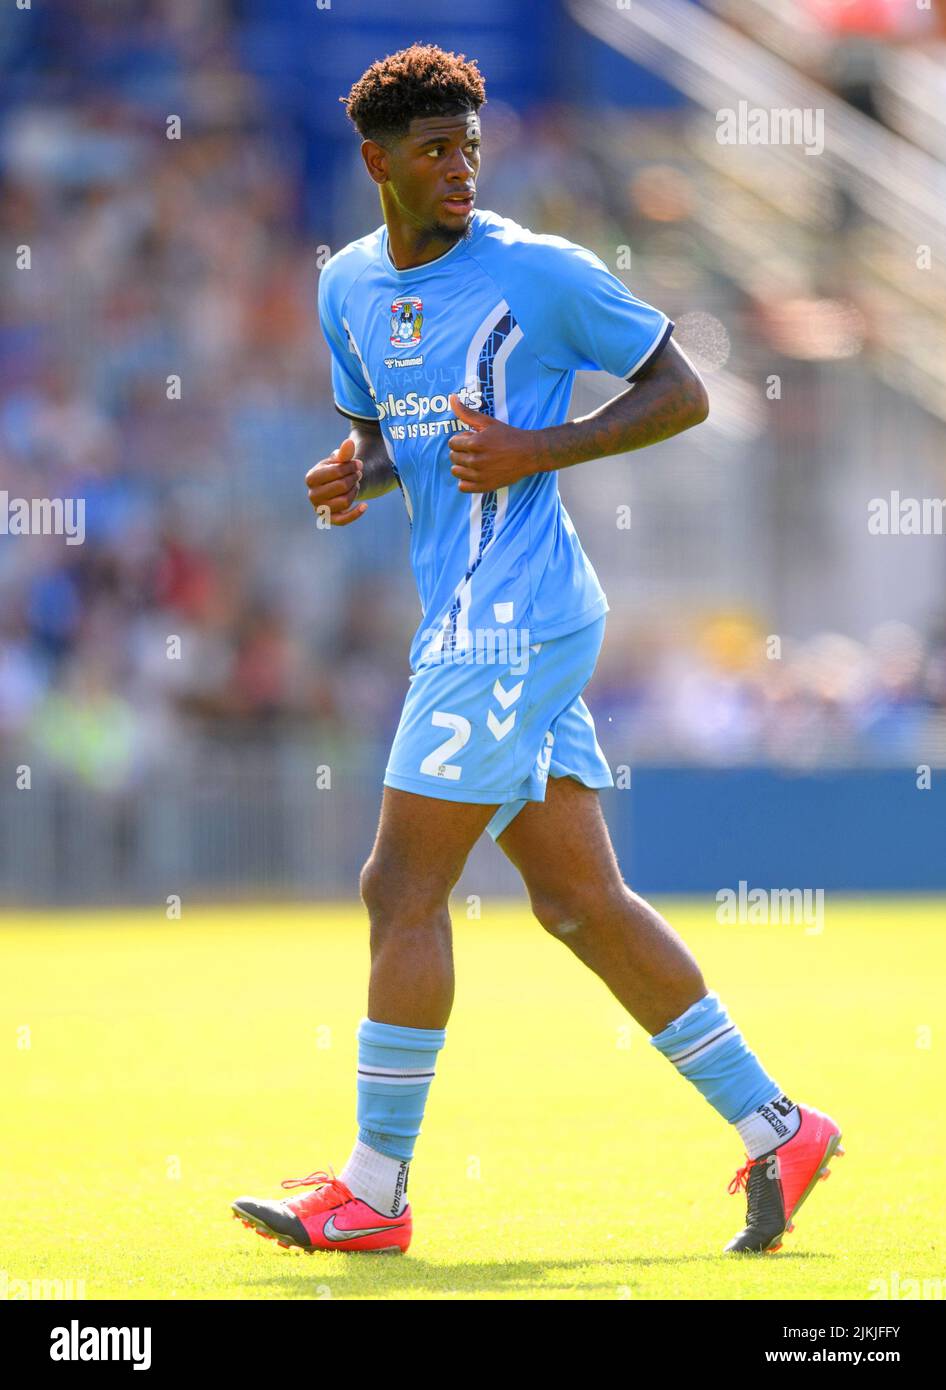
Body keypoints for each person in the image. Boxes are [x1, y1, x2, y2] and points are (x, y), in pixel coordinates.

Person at [232, 44, 842, 1258]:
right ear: (375, 163)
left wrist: (534, 448)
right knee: (578, 901)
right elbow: (397, 440)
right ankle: (779, 1126)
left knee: (397, 888)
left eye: (470, 145)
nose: (459, 169)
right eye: (432, 150)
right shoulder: (348, 284)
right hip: (472, 613)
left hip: (510, 619)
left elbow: (683, 391)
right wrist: (352, 476)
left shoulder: (539, 272)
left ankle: (372, 1191)